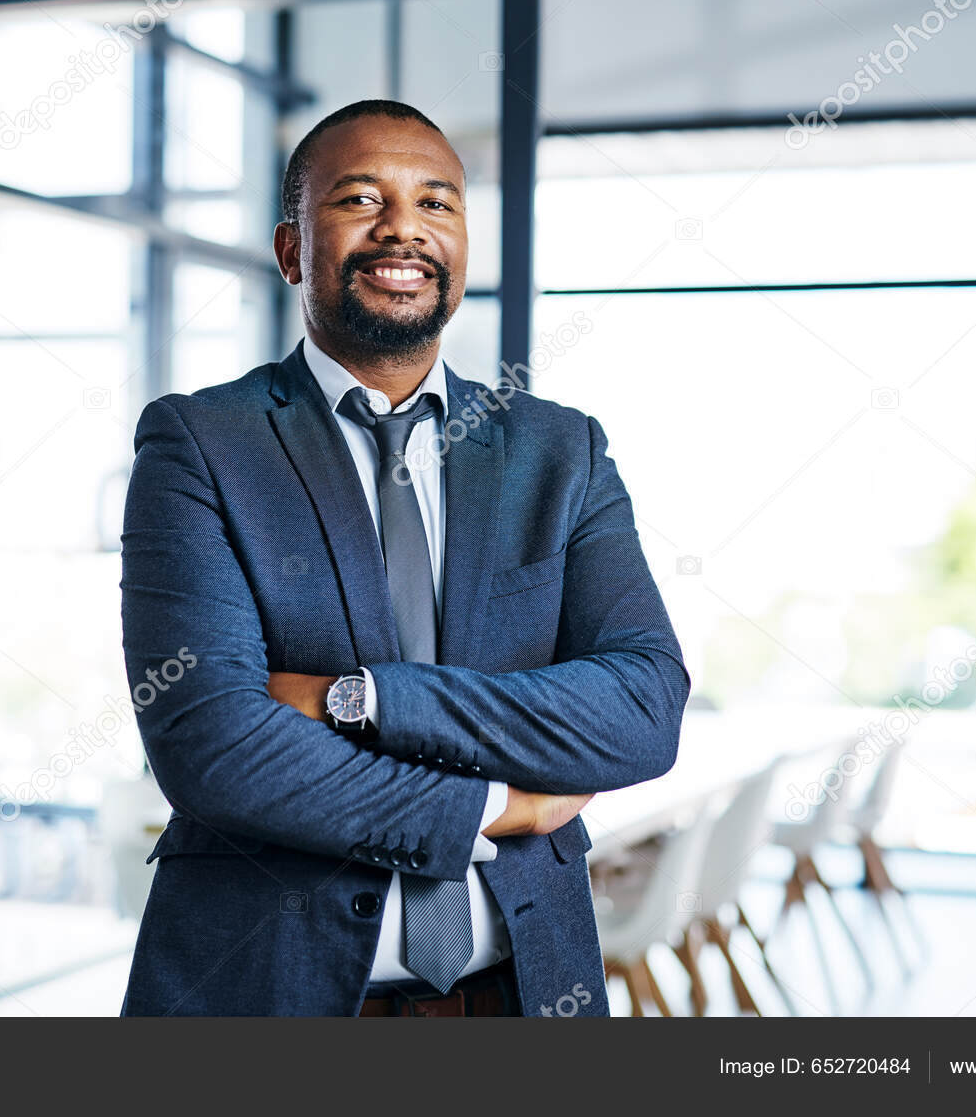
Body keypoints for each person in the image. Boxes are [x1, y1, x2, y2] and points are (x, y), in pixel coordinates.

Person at [117, 99, 689, 1017]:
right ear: (292, 249)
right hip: (269, 993)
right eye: (360, 199)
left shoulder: (560, 452)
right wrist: (499, 804)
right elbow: (214, 745)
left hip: (523, 991)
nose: (403, 230)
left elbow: (643, 707)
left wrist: (365, 697)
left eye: (437, 204)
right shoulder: (202, 442)